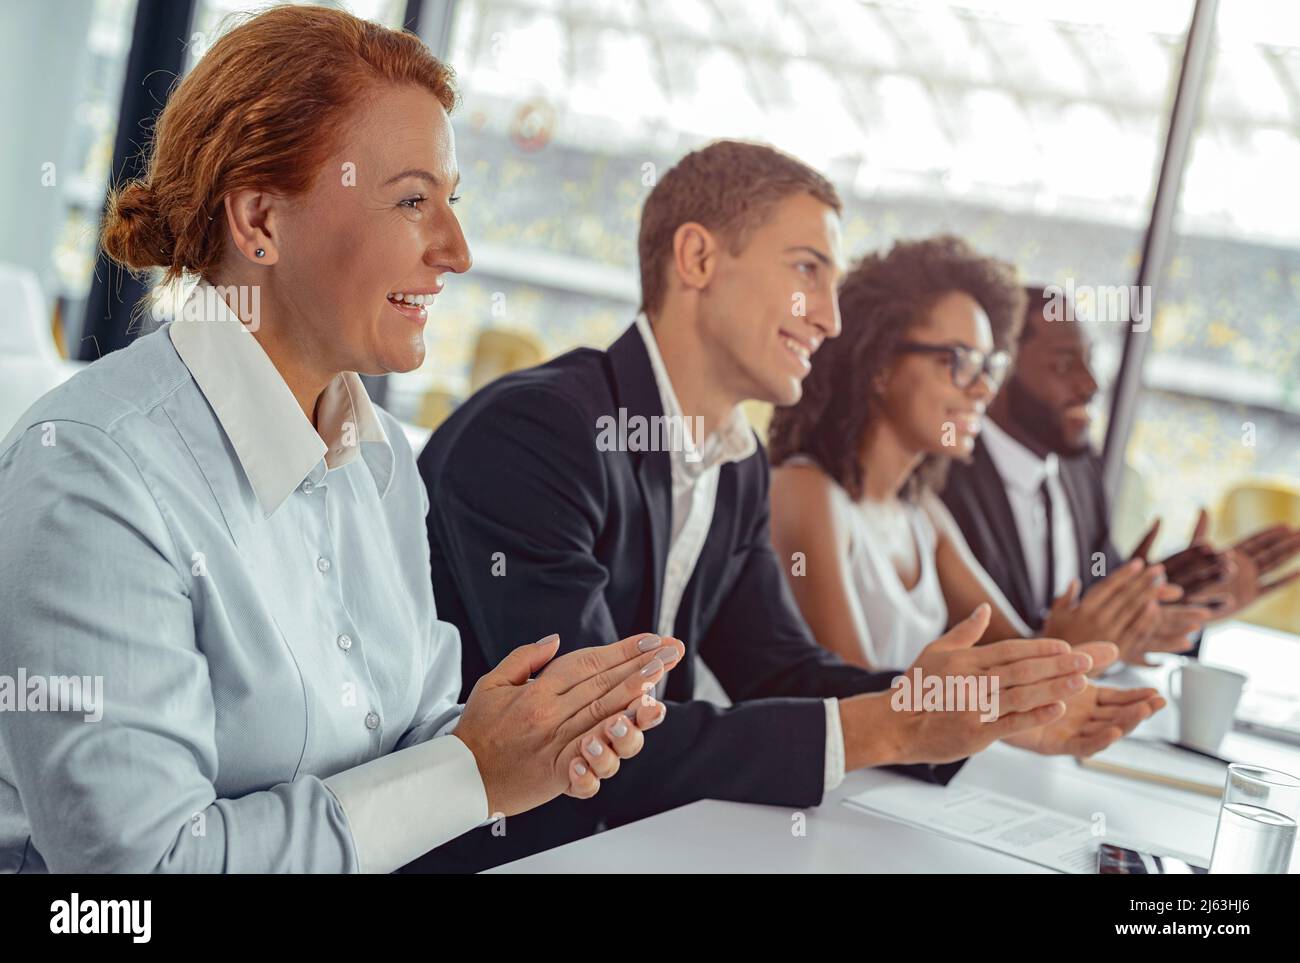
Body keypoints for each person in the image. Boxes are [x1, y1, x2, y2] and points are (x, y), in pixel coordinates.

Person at [0, 4, 683, 874]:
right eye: (411, 200)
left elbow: (408, 742)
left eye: (452, 202)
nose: (457, 249)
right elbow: (142, 875)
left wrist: (528, 743)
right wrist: (468, 770)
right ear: (259, 223)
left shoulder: (384, 458)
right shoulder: (93, 476)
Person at [413, 141, 1153, 872]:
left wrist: (973, 706)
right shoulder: (541, 433)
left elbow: (781, 669)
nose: (831, 318)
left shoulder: (736, 468)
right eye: (807, 269)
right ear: (698, 259)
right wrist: (893, 727)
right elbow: (595, 733)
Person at [764, 236, 1175, 730]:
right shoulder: (807, 493)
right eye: (957, 361)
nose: (982, 389)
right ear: (878, 366)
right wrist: (1059, 651)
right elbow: (856, 703)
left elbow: (1015, 652)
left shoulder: (922, 515)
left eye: (989, 366)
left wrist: (1082, 643)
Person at [940, 285, 1300, 660]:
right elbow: (968, 650)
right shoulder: (945, 479)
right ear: (996, 375)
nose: (1090, 385)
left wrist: (1184, 590)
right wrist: (1074, 651)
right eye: (1063, 365)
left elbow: (1100, 605)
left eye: (1088, 360)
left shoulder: (1079, 469)